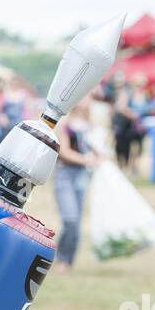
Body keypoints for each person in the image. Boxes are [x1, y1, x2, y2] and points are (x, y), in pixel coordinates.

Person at [53, 100, 98, 272]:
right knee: (70, 219)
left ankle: (67, 261)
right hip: (65, 175)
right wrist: (86, 159)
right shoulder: (65, 124)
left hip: (82, 176)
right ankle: (61, 257)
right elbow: (63, 152)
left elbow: (97, 147)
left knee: (76, 222)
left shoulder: (90, 125)